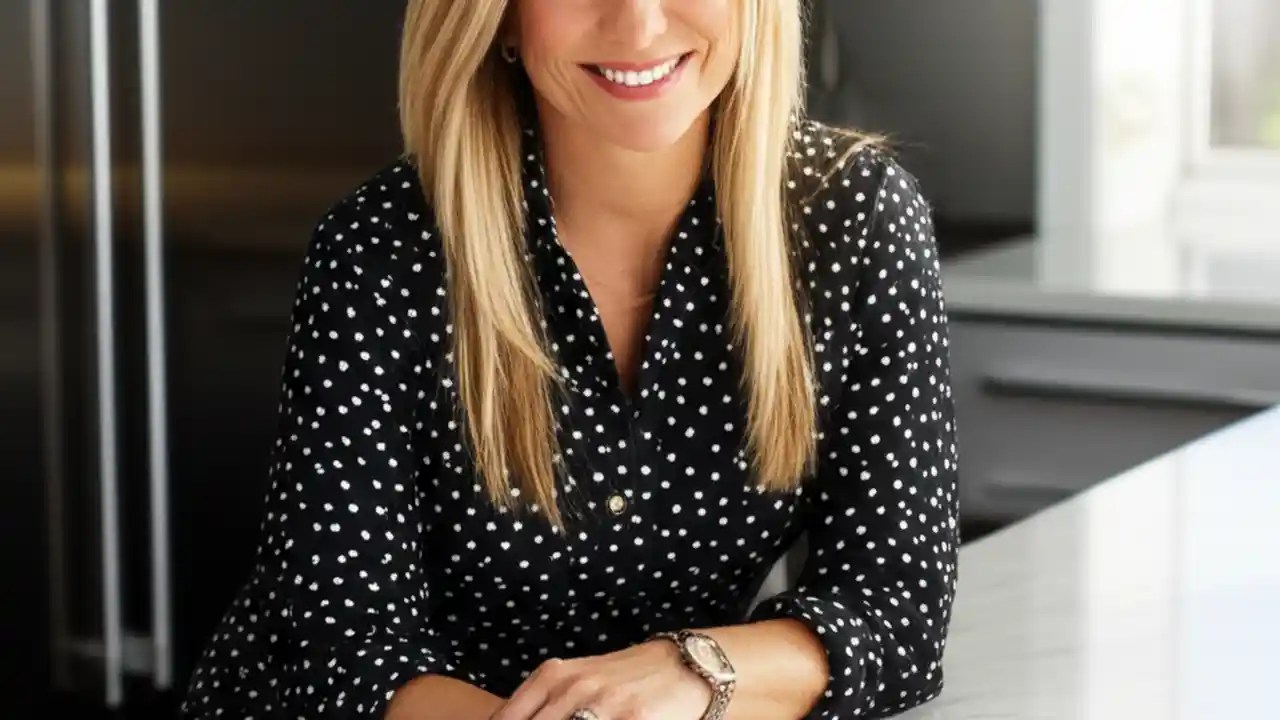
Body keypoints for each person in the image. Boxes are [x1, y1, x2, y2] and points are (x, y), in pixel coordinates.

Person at [180, 1, 960, 718]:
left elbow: (895, 607)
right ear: (502, 19)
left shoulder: (853, 219)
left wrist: (694, 672)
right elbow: (339, 653)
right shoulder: (380, 252)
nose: (639, 22)